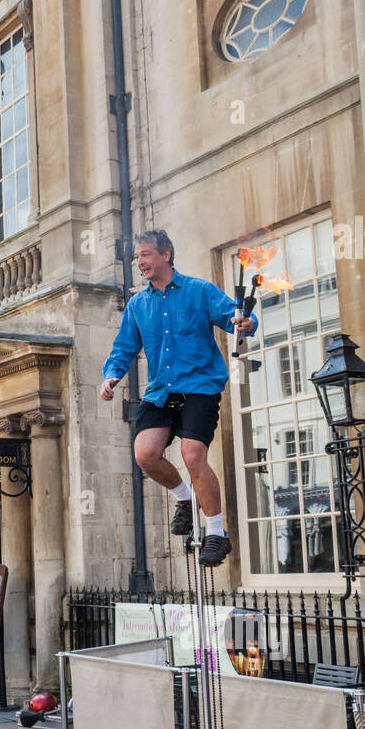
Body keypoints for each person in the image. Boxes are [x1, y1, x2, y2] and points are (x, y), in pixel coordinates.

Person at [101, 229, 258, 567]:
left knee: (192, 454)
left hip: (199, 387)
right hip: (160, 391)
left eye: (145, 254)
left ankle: (217, 532)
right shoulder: (138, 305)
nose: (140, 262)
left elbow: (235, 316)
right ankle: (185, 499)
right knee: (145, 454)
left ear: (166, 254)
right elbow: (123, 348)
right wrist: (111, 375)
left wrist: (244, 322)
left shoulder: (199, 291)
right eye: (137, 257)